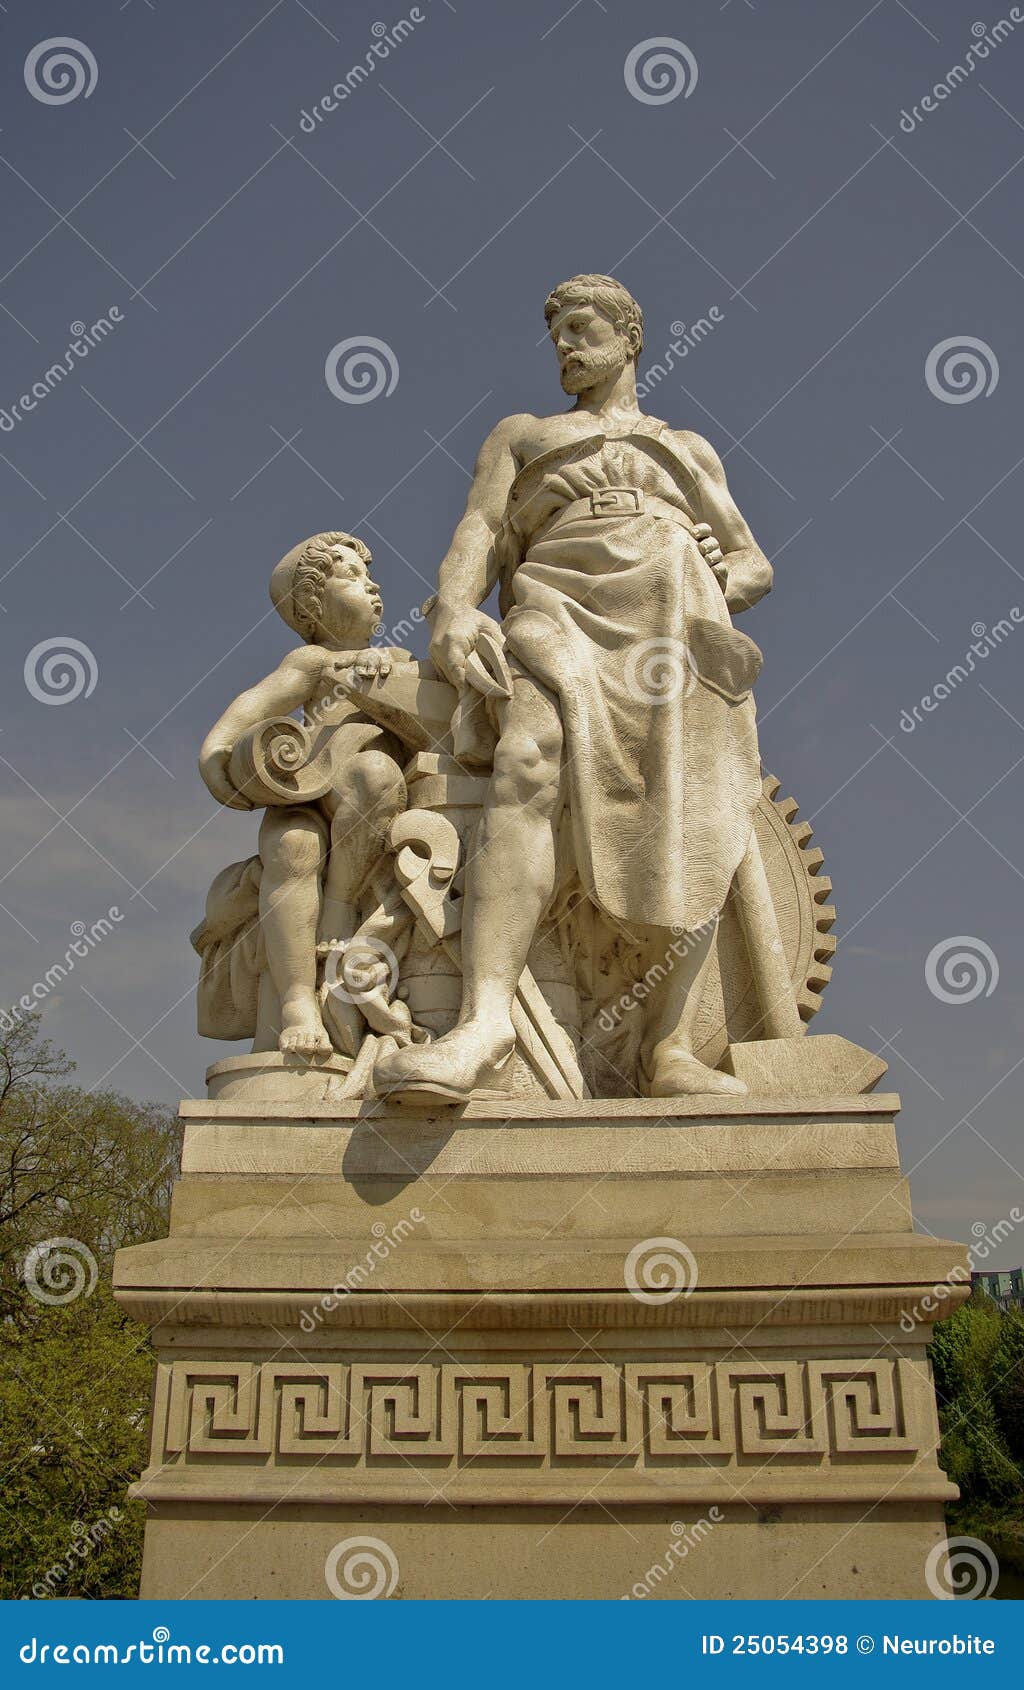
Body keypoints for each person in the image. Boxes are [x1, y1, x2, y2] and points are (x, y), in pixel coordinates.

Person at [374, 275, 772, 1103]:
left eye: (581, 328)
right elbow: (480, 532)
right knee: (526, 762)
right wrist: (452, 609)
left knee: (694, 808)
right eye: (554, 333)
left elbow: (753, 562)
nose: (564, 345)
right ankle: (482, 1025)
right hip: (557, 601)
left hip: (674, 617)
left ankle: (667, 1050)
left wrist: (717, 572)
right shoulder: (523, 435)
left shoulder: (687, 447)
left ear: (630, 337)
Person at [199, 532, 408, 1057]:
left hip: (367, 798)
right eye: (352, 576)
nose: (372, 584)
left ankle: (337, 910)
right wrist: (218, 749)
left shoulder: (401, 661)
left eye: (370, 575)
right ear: (312, 603)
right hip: (303, 789)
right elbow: (256, 703)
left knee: (378, 773)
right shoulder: (312, 662)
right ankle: (297, 999)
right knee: (293, 847)